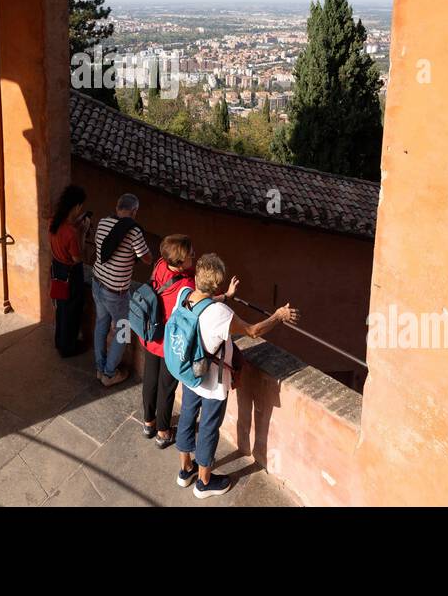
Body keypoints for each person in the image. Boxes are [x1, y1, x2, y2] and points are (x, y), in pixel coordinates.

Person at [175, 252, 298, 499]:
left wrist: (226, 296)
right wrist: (278, 316)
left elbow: (205, 302)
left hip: (189, 371)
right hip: (211, 381)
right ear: (217, 283)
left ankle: (185, 470)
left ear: (197, 276)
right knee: (209, 427)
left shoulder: (184, 295)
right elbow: (253, 331)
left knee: (187, 415)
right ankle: (204, 483)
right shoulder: (219, 313)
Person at [140, 234, 195, 448]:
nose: (194, 256)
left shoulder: (160, 264)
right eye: (190, 255)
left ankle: (148, 422)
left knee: (150, 380)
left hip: (151, 334)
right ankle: (163, 432)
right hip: (170, 343)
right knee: (166, 386)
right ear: (180, 263)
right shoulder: (187, 284)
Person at [91, 193, 151, 386]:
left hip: (97, 283)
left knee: (101, 324)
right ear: (134, 211)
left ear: (117, 207)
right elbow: (147, 258)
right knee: (122, 330)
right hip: (116, 292)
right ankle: (109, 373)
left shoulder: (102, 222)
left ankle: (100, 368)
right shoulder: (134, 232)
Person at [48, 185, 91, 357]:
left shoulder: (53, 221)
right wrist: (83, 233)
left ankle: (60, 342)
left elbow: (62, 233)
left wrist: (76, 225)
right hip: (71, 274)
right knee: (72, 311)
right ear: (76, 206)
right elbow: (78, 258)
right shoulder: (72, 233)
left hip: (57, 269)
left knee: (61, 308)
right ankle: (68, 348)